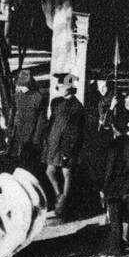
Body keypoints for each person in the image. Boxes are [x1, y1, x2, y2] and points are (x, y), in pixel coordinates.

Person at [42, 74, 84, 219]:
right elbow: (51, 122)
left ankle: (63, 203)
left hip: (66, 146)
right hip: (54, 144)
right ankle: (59, 195)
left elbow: (76, 132)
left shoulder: (77, 107)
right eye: (59, 85)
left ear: (70, 88)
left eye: (62, 86)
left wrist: (68, 150)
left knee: (67, 174)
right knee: (50, 171)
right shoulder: (55, 102)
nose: (59, 88)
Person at [99, 110, 129, 256]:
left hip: (114, 188)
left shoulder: (113, 145)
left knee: (115, 221)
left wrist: (103, 188)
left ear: (115, 128)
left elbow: (109, 170)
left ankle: (117, 248)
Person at [9, 69, 48, 170]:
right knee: (15, 156)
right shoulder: (17, 95)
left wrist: (37, 137)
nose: (20, 88)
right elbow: (13, 113)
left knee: (28, 158)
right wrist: (11, 128)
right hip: (18, 130)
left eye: (23, 86)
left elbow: (41, 120)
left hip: (31, 131)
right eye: (20, 85)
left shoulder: (38, 97)